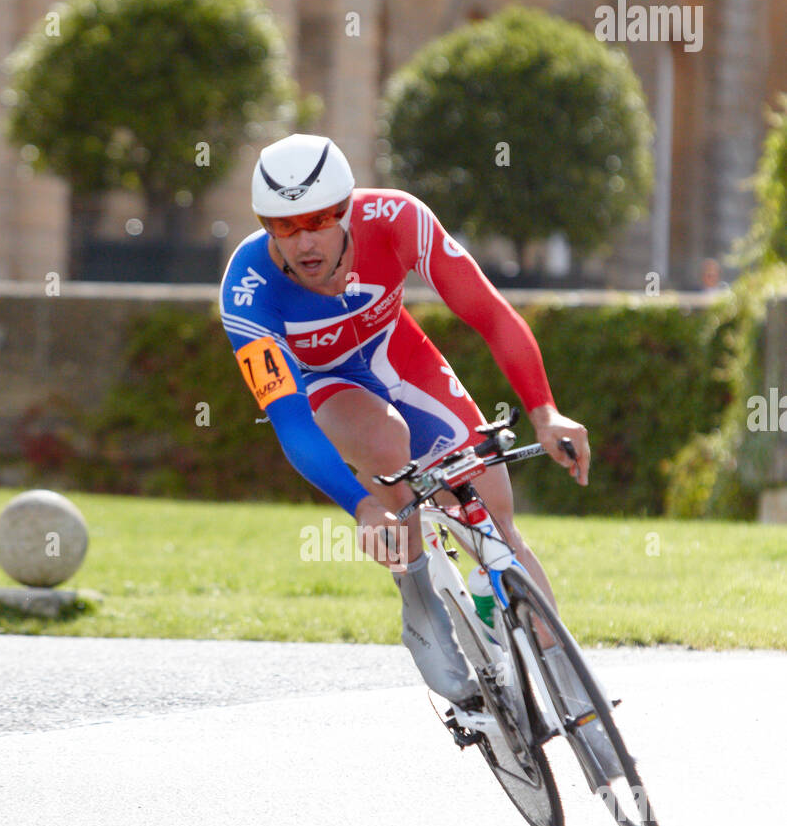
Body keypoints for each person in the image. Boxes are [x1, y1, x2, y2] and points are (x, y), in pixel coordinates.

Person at [220, 133, 593, 719]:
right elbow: (291, 424)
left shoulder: (397, 217)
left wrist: (545, 411)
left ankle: (574, 693)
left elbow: (489, 314)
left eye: (319, 220)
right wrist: (361, 507)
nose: (305, 241)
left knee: (494, 511)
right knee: (387, 449)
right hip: (327, 387)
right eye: (284, 226)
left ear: (346, 209)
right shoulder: (246, 292)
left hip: (398, 356)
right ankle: (419, 600)